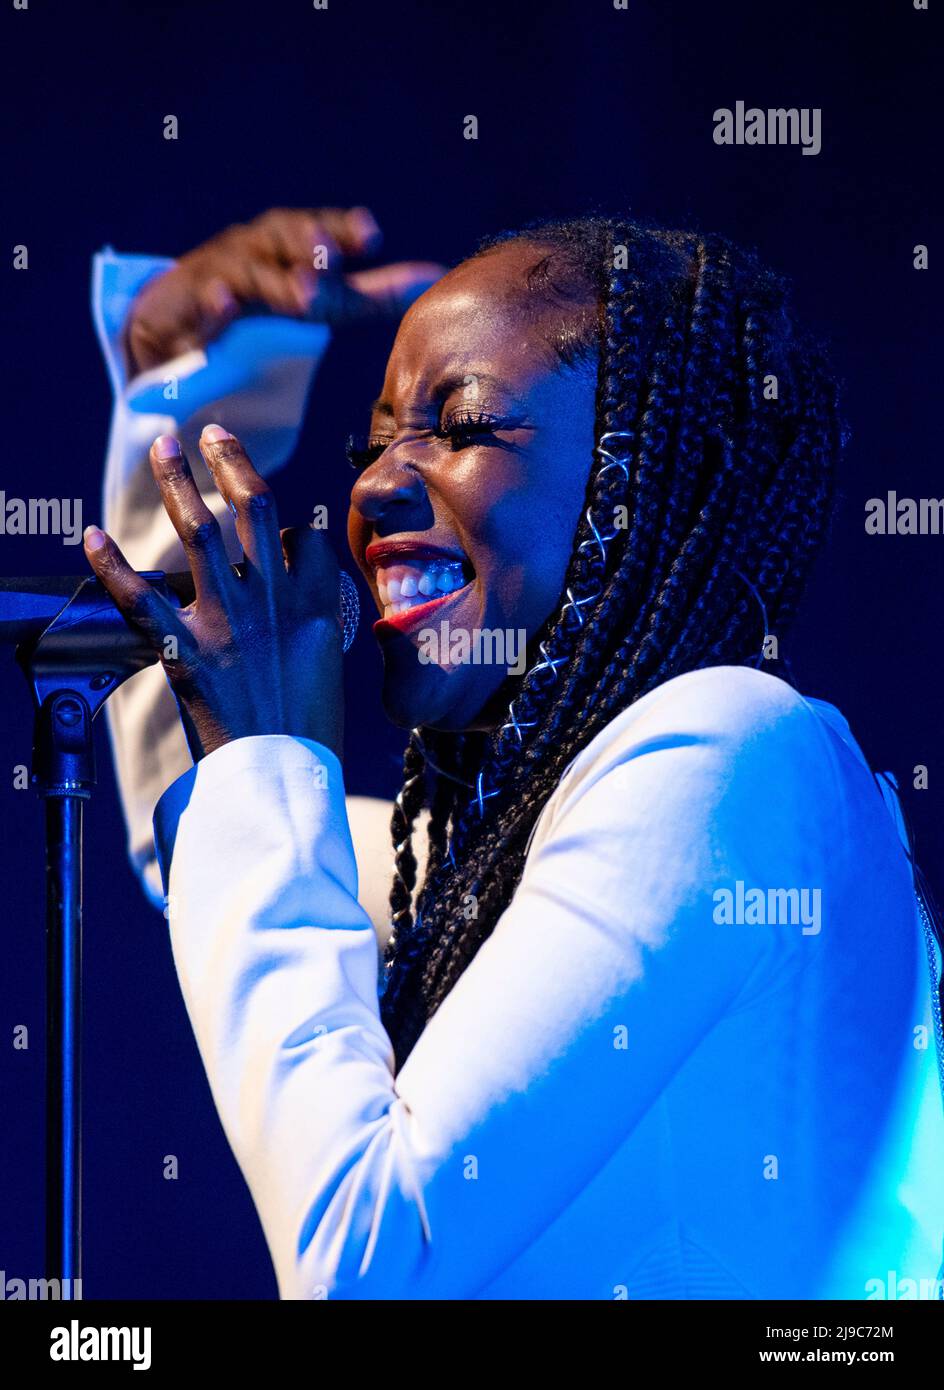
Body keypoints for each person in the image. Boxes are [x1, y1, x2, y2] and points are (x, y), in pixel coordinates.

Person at [84, 207, 944, 1300]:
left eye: (461, 425)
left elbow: (362, 1262)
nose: (371, 486)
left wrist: (267, 760)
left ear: (633, 473)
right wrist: (182, 384)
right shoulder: (508, 854)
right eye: (374, 439)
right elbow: (206, 835)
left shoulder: (733, 748)